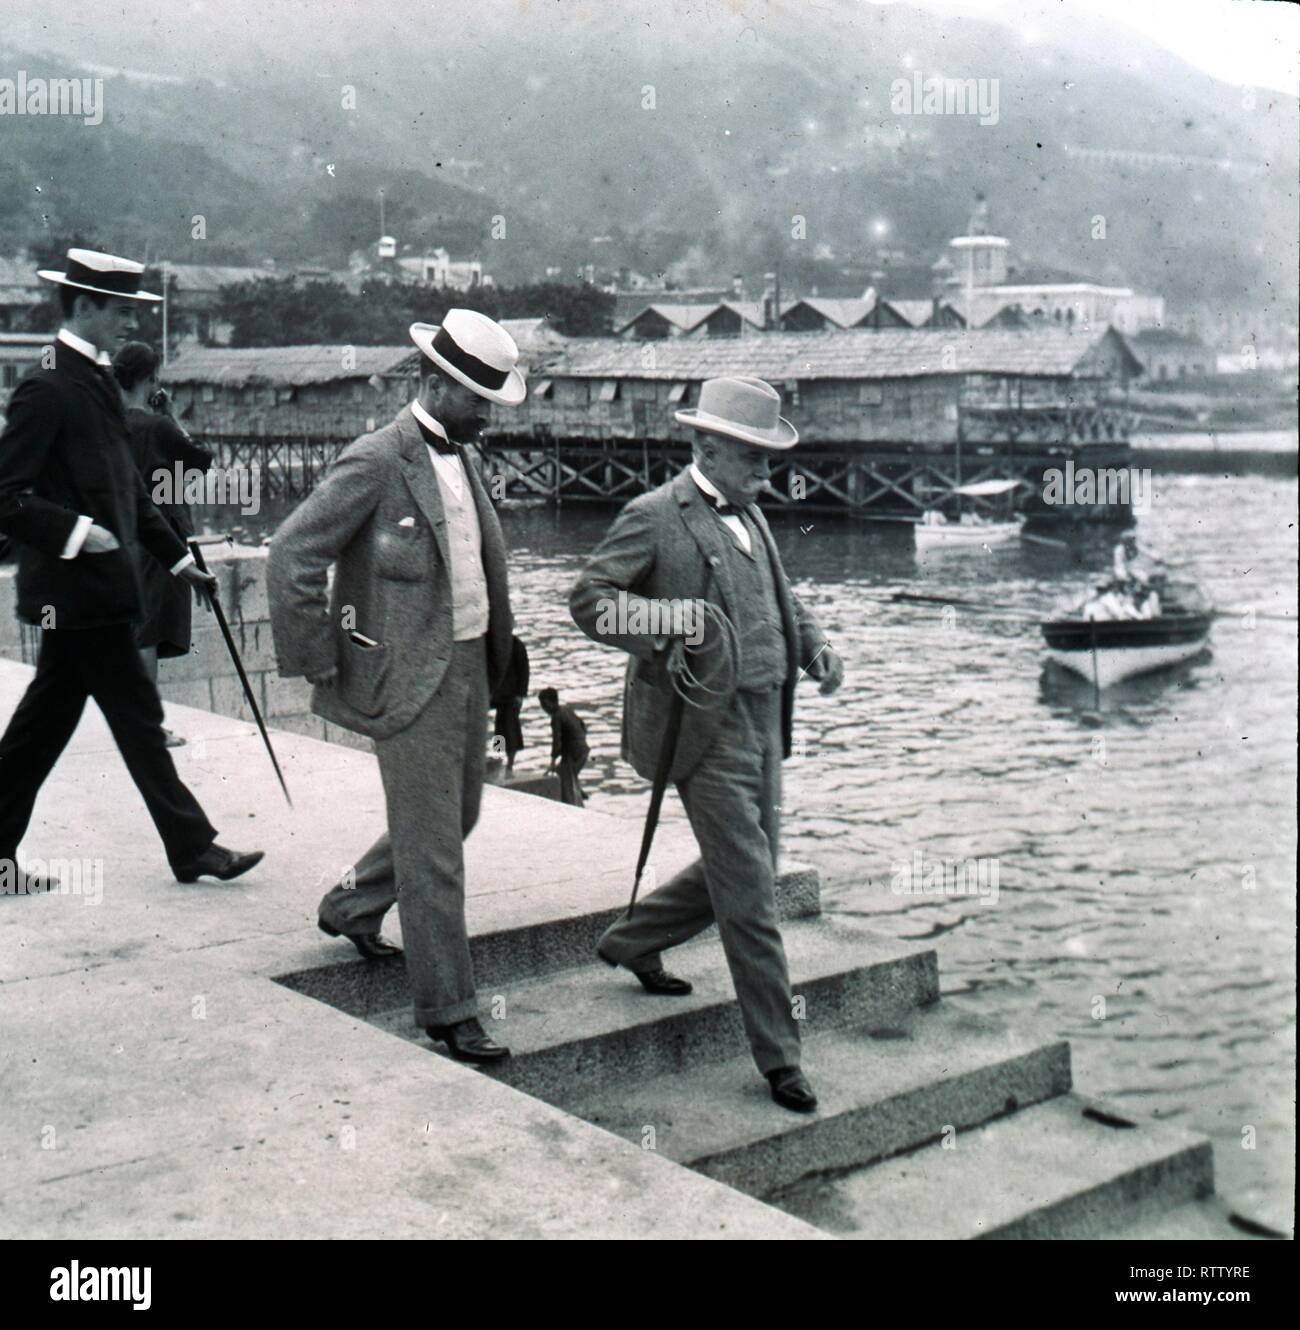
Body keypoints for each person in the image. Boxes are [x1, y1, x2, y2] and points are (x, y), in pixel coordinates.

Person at [570, 375, 844, 1114]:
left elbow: (780, 599)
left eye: (768, 458)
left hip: (765, 717)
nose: (765, 472)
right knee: (752, 892)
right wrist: (670, 622)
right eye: (752, 457)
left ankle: (630, 940)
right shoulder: (653, 517)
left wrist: (813, 646)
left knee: (750, 865)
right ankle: (780, 1058)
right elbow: (590, 602)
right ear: (706, 447)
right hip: (701, 725)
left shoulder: (753, 514)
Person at [268, 309, 524, 1065]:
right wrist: (320, 655)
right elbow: (292, 553)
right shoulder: (378, 460)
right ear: (438, 385)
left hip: (473, 667)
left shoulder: (465, 457)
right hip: (409, 679)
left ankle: (351, 904)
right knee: (437, 848)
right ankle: (449, 1008)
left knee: (460, 815)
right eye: (479, 399)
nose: (486, 415)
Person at [0, 248, 263, 896]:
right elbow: (6, 494)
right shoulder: (46, 387)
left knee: (44, 735)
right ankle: (193, 848)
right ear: (84, 306)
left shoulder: (97, 385)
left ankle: (188, 848)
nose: (128, 325)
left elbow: (131, 498)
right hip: (77, 594)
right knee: (135, 726)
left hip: (102, 597)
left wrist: (178, 560)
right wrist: (74, 532)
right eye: (119, 312)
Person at [112, 340, 216, 747]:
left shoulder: (109, 422)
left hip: (121, 534)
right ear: (150, 379)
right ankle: (147, 728)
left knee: (133, 627)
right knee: (148, 632)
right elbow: (201, 460)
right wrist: (171, 416)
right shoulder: (157, 426)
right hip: (158, 537)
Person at [538, 687, 589, 806]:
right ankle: (579, 793)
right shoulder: (566, 709)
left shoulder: (556, 717)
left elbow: (557, 741)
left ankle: (573, 805)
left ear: (551, 702)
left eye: (544, 705)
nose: (543, 708)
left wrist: (552, 761)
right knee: (566, 773)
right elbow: (583, 726)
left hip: (573, 753)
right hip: (583, 751)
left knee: (566, 783)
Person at [491, 634, 529, 775]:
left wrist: (520, 694)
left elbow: (524, 670)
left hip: (511, 696)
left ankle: (509, 766)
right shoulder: (495, 644)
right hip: (498, 695)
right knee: (499, 730)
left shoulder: (516, 644)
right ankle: (499, 759)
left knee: (510, 731)